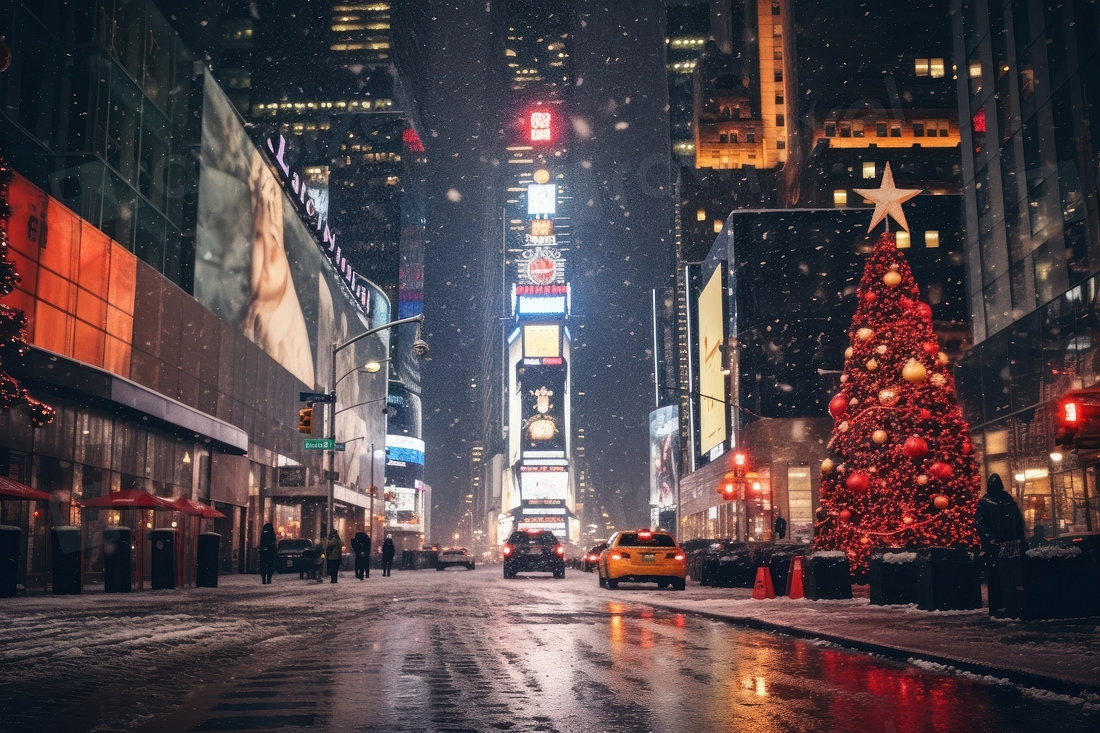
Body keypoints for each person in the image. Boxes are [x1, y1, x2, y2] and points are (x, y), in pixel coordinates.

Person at [975, 473, 1026, 615]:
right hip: (996, 545)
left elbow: (1018, 521)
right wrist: (989, 539)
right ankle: (999, 604)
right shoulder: (986, 502)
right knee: (997, 575)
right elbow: (980, 523)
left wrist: (1020, 538)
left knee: (1013, 574)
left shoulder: (1008, 501)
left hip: (1011, 543)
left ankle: (1013, 602)